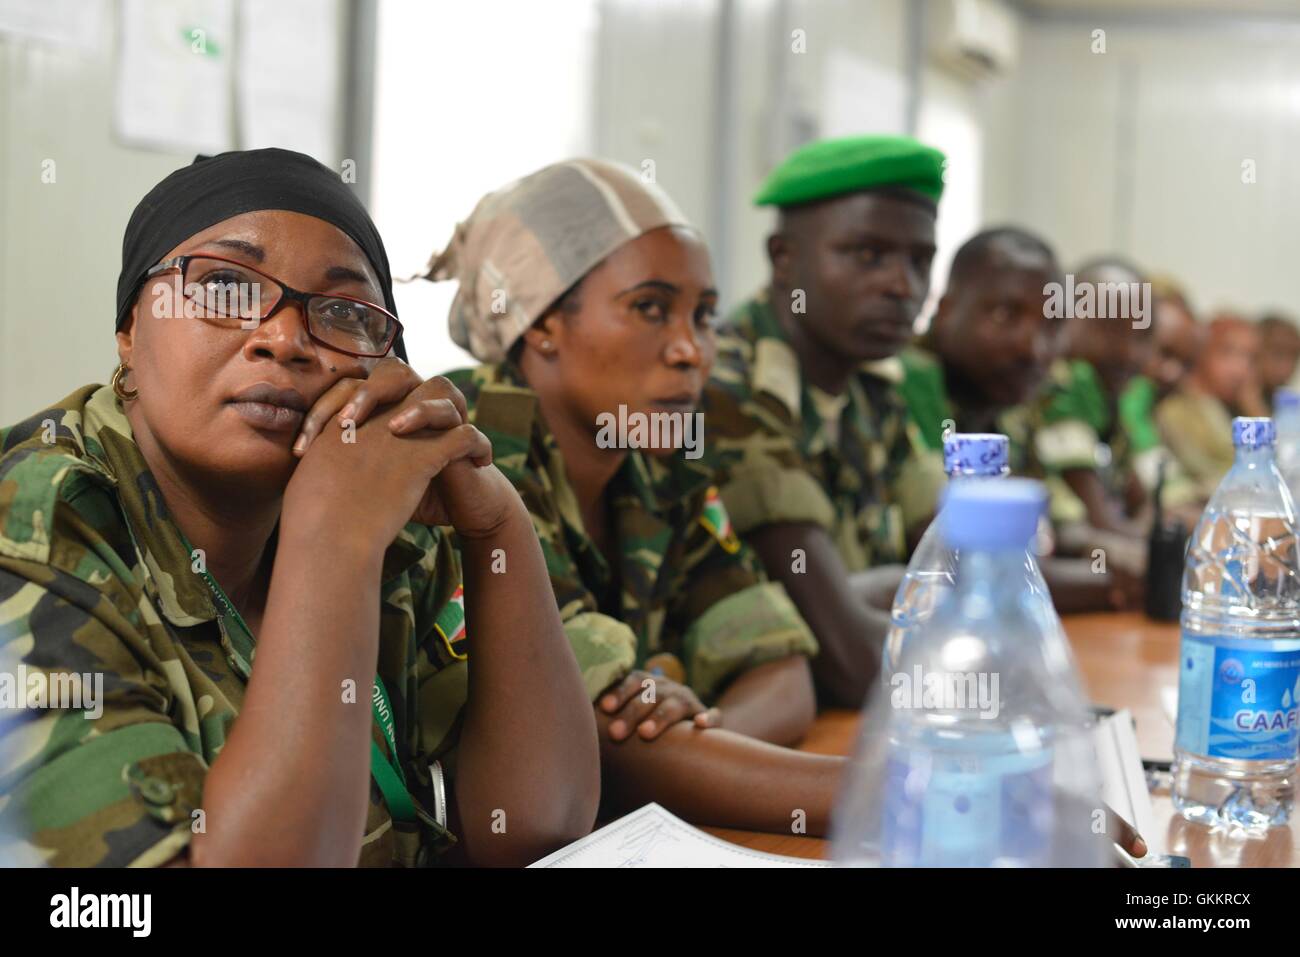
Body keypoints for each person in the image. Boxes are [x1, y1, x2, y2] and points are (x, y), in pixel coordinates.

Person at [0, 148, 599, 867]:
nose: (283, 338)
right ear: (130, 329)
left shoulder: (377, 501)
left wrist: (496, 522)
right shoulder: (36, 523)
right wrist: (331, 539)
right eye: (224, 285)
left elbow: (535, 825)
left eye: (344, 311)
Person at [425, 158, 854, 836]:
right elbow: (603, 735)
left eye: (704, 315)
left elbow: (780, 669)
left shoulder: (658, 458)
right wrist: (914, 792)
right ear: (540, 324)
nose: (691, 350)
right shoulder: (473, 452)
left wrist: (694, 739)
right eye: (650, 309)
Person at [706, 135, 948, 707]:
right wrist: (897, 591)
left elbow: (969, 565)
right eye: (867, 254)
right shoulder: (729, 388)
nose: (901, 286)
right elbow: (851, 661)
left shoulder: (875, 387)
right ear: (784, 259)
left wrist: (868, 592)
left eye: (920, 261)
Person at [898, 226, 1140, 612]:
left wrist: (1098, 547)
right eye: (1005, 314)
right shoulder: (911, 381)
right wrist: (1115, 581)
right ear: (945, 311)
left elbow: (1058, 519)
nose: (1033, 347)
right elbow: (968, 559)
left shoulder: (1005, 408)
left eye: (1052, 325)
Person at [1035, 257, 1154, 545]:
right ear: (1064, 321)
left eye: (1142, 334)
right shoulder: (1067, 387)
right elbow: (1100, 522)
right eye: (1110, 327)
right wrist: (1154, 530)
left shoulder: (1111, 399)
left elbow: (1147, 500)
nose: (1128, 351)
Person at [1157, 314, 1261, 500]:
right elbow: (1211, 478)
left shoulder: (1230, 408)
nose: (1239, 369)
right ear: (1202, 352)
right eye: (1227, 353)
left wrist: (1254, 407)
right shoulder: (1178, 410)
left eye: (1249, 358)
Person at [1238, 313, 1300, 417]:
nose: (1287, 366)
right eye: (1278, 353)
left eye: (1294, 356)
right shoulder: (1228, 397)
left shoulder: (1286, 406)